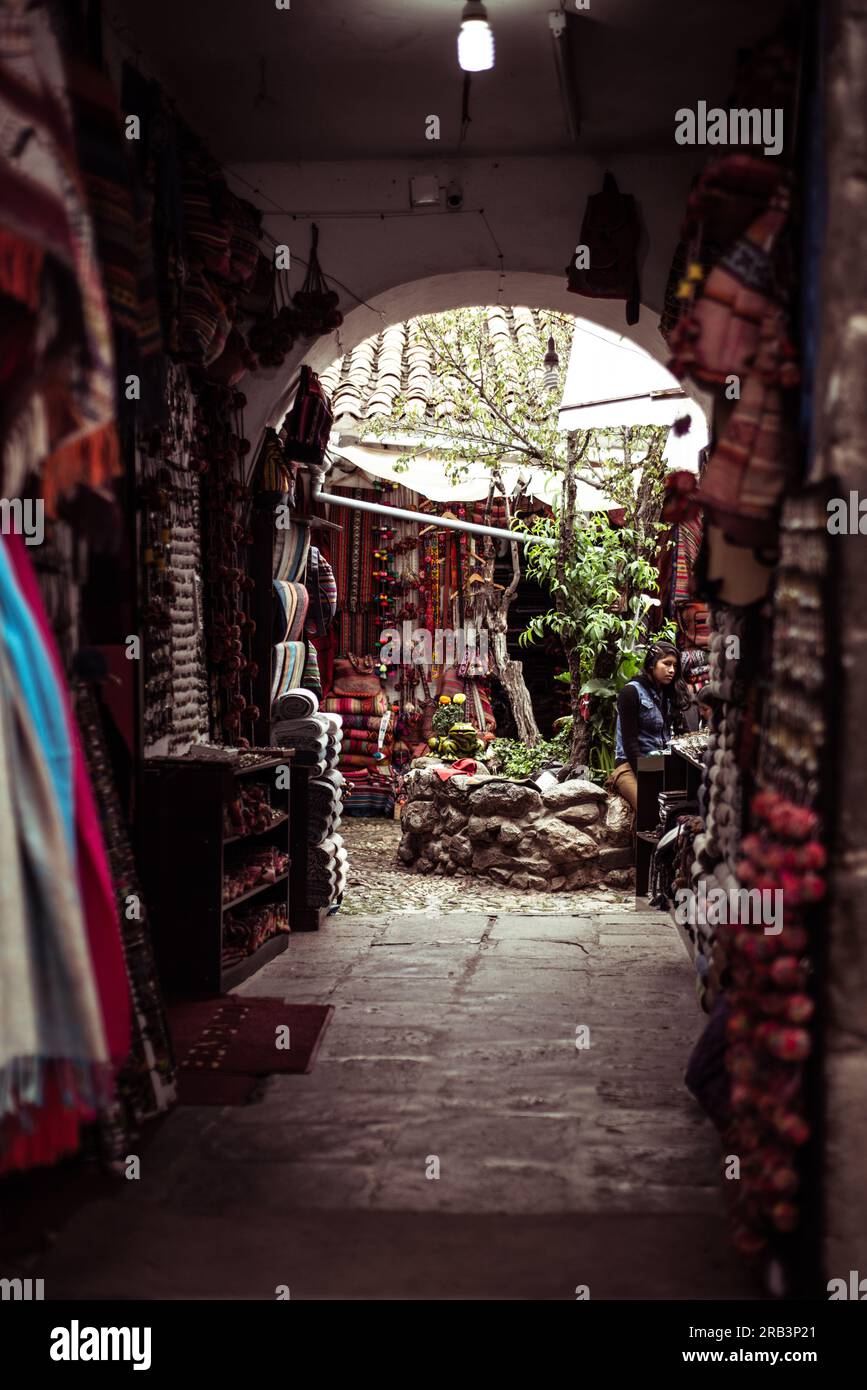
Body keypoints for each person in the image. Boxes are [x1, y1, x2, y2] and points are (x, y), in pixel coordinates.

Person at [609, 640, 689, 812]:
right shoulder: (631, 693)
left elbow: (685, 735)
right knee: (649, 807)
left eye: (675, 666)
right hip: (630, 766)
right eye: (666, 664)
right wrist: (646, 777)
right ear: (652, 664)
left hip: (661, 763)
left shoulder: (669, 695)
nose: (672, 670)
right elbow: (630, 744)